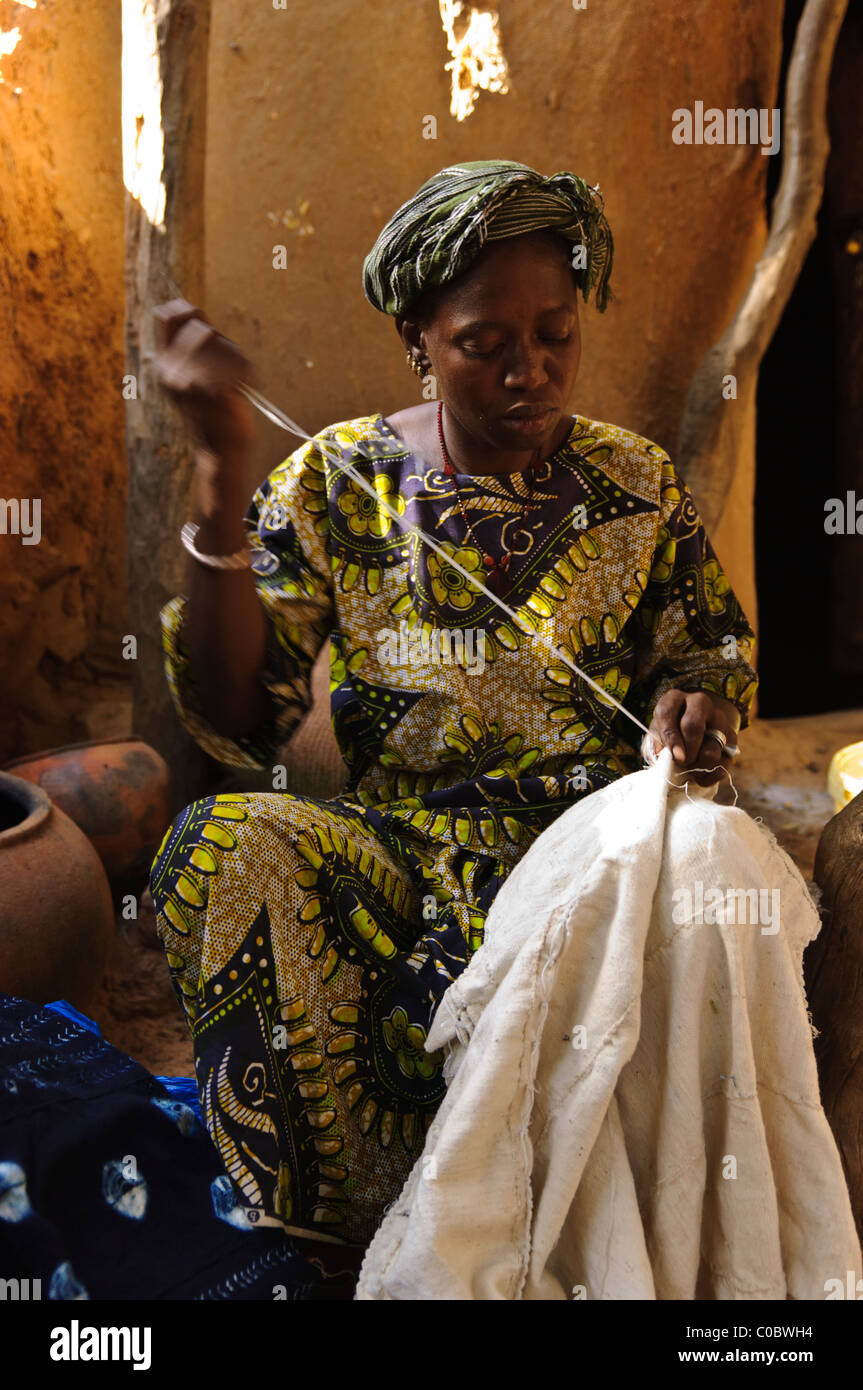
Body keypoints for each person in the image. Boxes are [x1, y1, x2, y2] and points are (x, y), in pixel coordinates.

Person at [150, 160, 757, 1249]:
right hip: (406, 856)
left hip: (593, 859)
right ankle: (361, 1226)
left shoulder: (635, 483)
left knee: (717, 870)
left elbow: (704, 651)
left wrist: (697, 709)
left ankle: (604, 1215)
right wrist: (219, 468)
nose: (531, 370)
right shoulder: (339, 480)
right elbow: (239, 709)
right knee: (220, 843)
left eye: (556, 334)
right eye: (484, 343)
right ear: (417, 339)